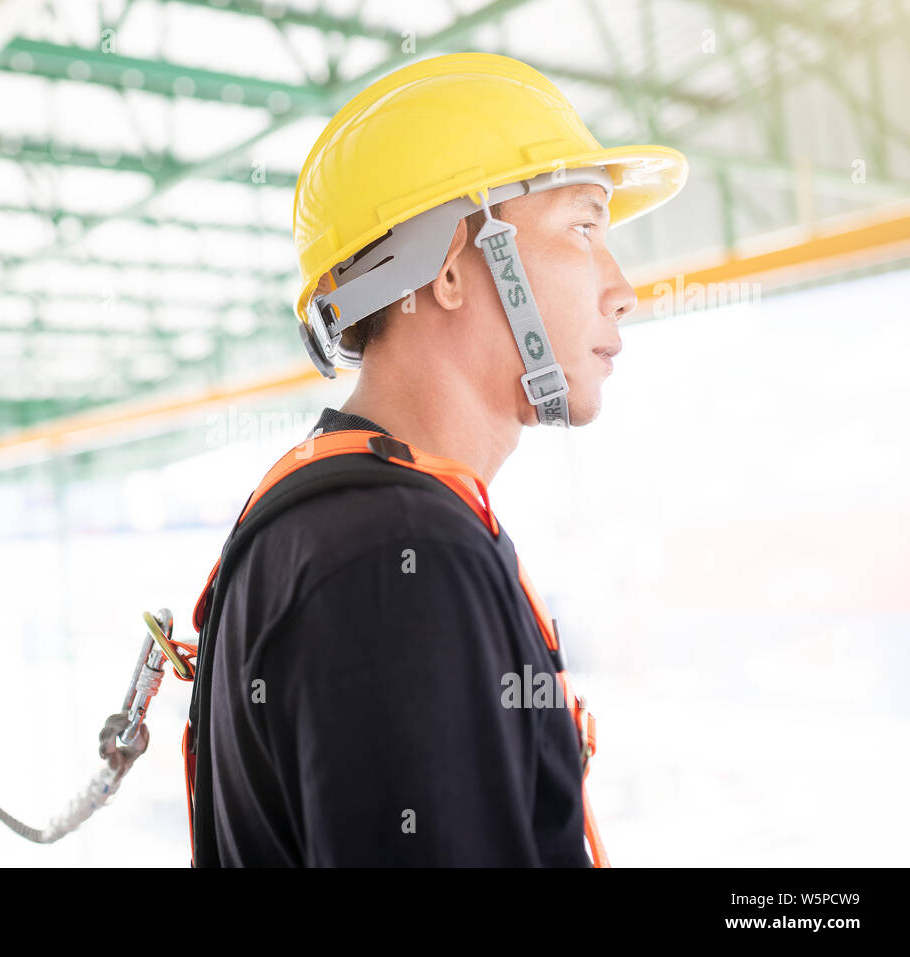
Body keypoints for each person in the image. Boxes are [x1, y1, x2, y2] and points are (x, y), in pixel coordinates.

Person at [188, 52, 688, 866]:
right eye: (584, 227)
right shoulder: (397, 553)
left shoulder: (342, 520)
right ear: (454, 266)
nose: (622, 286)